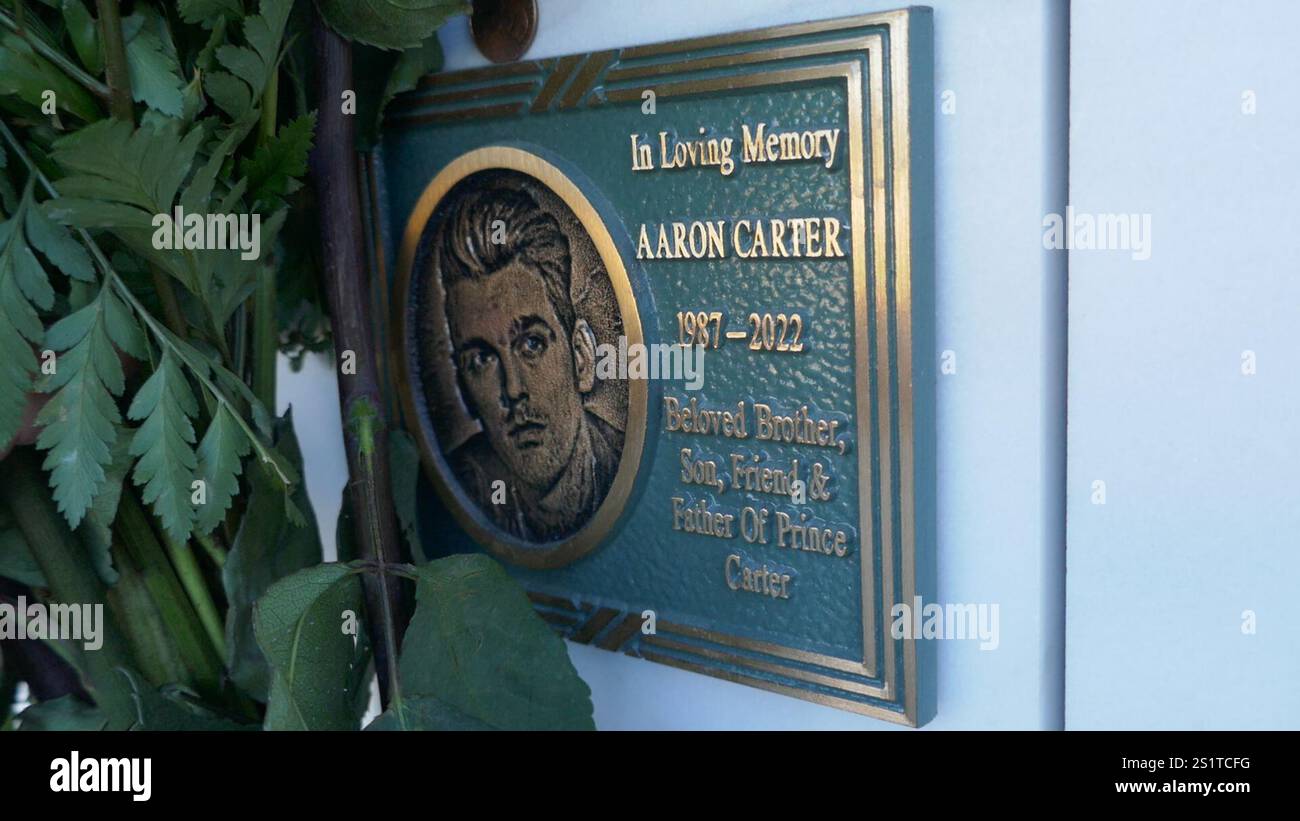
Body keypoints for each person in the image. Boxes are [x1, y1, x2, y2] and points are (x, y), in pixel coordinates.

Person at [433, 179, 623, 543]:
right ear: (462, 387)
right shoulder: (457, 484)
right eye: (482, 359)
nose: (513, 390)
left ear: (582, 357)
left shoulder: (617, 466)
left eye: (532, 344)